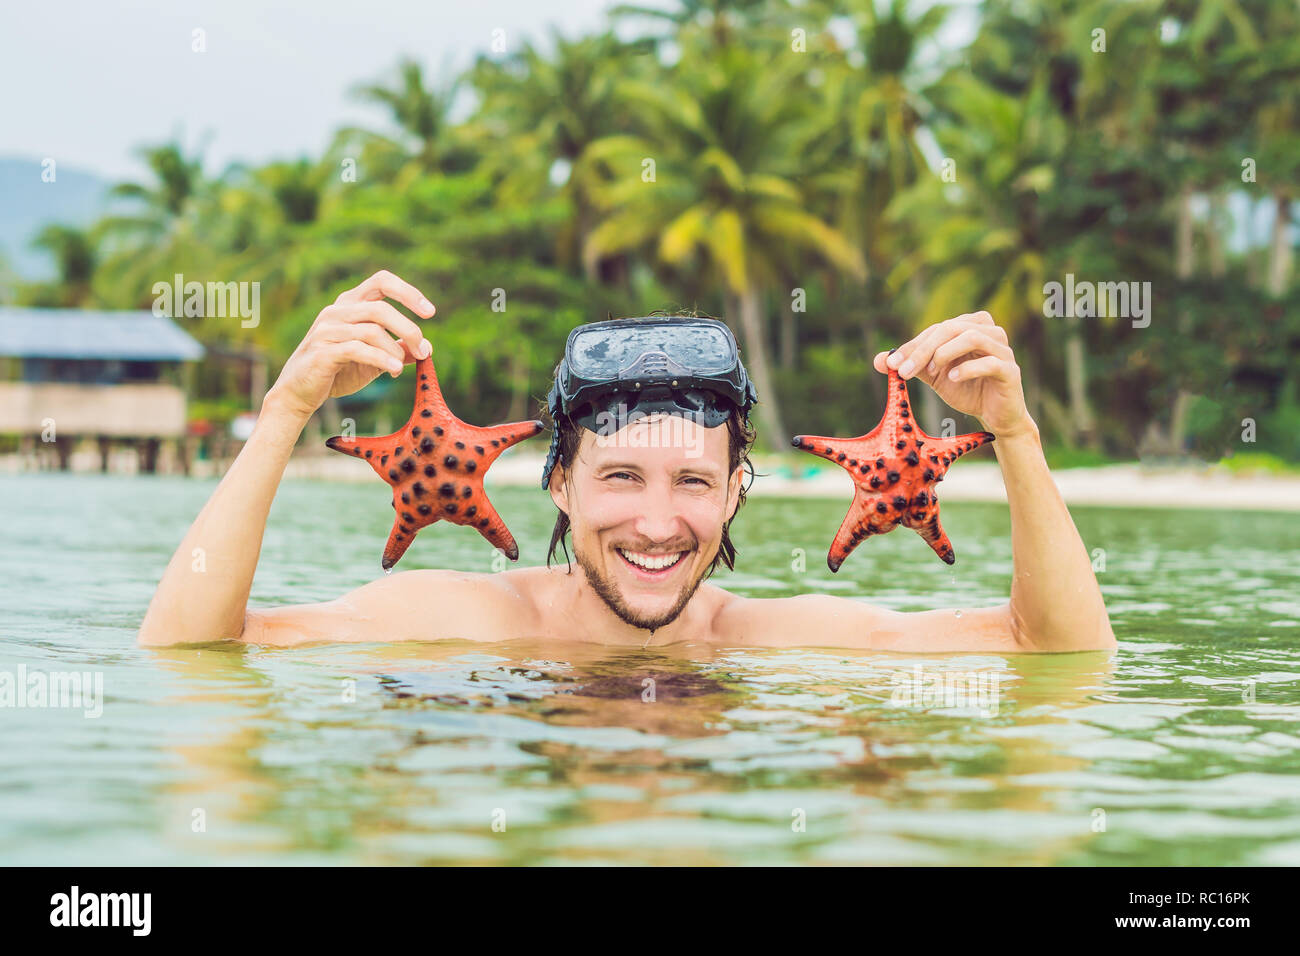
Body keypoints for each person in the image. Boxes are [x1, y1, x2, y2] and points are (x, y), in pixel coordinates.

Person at [138, 270, 1115, 652]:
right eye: (619, 477)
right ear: (557, 480)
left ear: (737, 488)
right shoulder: (465, 621)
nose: (657, 521)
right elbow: (188, 645)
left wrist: (1016, 437)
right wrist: (283, 411)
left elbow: (1056, 650)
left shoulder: (779, 638)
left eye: (692, 479)